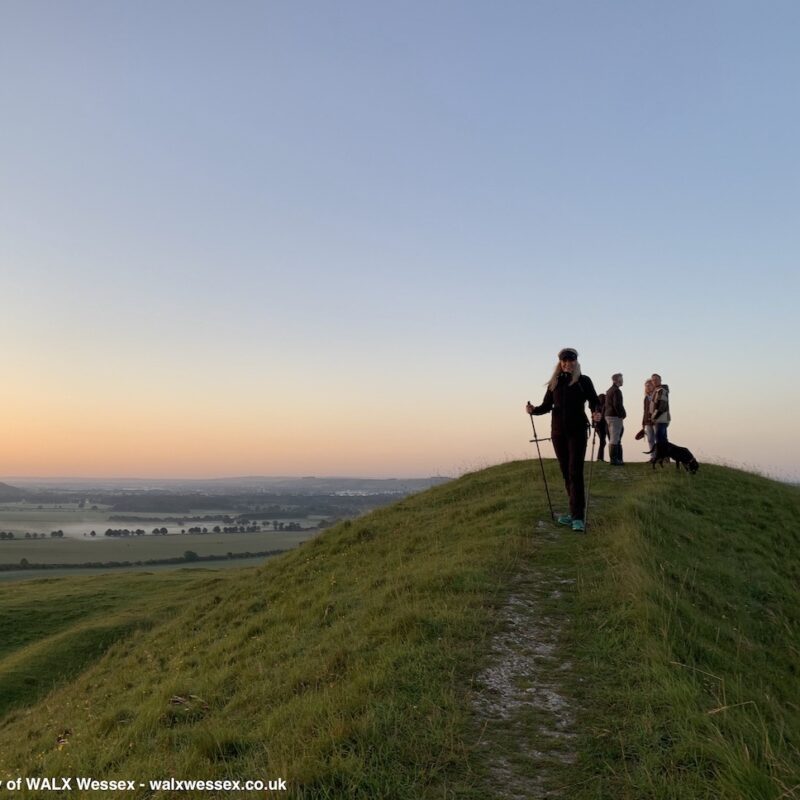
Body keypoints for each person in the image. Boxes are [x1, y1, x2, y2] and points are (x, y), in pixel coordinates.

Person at [525, 347, 599, 533]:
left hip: (577, 432)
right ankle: (574, 513)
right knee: (566, 473)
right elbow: (546, 406)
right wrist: (533, 410)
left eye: (571, 360)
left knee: (575, 472)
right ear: (560, 362)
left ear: (576, 361)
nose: (567, 363)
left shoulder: (583, 380)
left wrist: (596, 413)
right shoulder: (555, 382)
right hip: (558, 433)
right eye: (564, 361)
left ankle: (578, 518)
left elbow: (594, 401)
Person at [604, 373, 626, 465]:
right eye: (621, 379)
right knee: (615, 437)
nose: (622, 381)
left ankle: (617, 459)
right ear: (616, 380)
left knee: (615, 437)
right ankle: (614, 460)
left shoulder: (609, 390)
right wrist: (622, 414)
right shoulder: (616, 391)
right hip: (614, 416)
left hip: (609, 415)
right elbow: (617, 404)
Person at [650, 373, 670, 459]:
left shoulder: (661, 390)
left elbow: (662, 406)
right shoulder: (657, 390)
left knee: (660, 440)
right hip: (660, 419)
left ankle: (662, 457)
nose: (654, 381)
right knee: (663, 439)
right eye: (653, 380)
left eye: (656, 379)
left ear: (660, 380)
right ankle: (665, 458)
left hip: (660, 419)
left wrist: (654, 417)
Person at [642, 379, 656, 462]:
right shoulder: (646, 398)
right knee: (650, 439)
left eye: (649, 385)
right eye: (646, 386)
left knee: (658, 439)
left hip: (656, 420)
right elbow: (645, 411)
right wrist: (643, 422)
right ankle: (652, 457)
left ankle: (660, 456)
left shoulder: (656, 395)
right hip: (647, 421)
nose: (647, 387)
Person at [594, 392, 608, 461]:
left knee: (603, 442)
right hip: (601, 426)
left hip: (599, 426)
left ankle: (600, 458)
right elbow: (599, 417)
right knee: (602, 442)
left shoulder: (597, 406)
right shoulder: (602, 407)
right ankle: (600, 458)